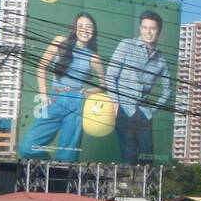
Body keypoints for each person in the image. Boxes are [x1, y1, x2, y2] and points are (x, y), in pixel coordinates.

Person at [18, 13, 106, 163]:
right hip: (55, 98)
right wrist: (44, 97)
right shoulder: (60, 42)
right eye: (81, 26)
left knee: (67, 157)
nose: (85, 30)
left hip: (76, 103)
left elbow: (105, 85)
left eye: (89, 26)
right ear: (74, 29)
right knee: (26, 147)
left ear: (94, 31)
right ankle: (47, 164)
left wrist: (86, 92)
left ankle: (59, 181)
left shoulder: (94, 57)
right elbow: (41, 67)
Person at [107, 10, 170, 165]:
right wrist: (115, 103)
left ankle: (145, 188)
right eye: (144, 27)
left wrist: (151, 111)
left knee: (147, 156)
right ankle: (126, 187)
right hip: (124, 109)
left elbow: (167, 89)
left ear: (159, 31)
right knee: (128, 155)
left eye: (152, 28)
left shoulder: (161, 59)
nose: (148, 32)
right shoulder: (126, 45)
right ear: (140, 28)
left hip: (143, 113)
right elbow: (110, 75)